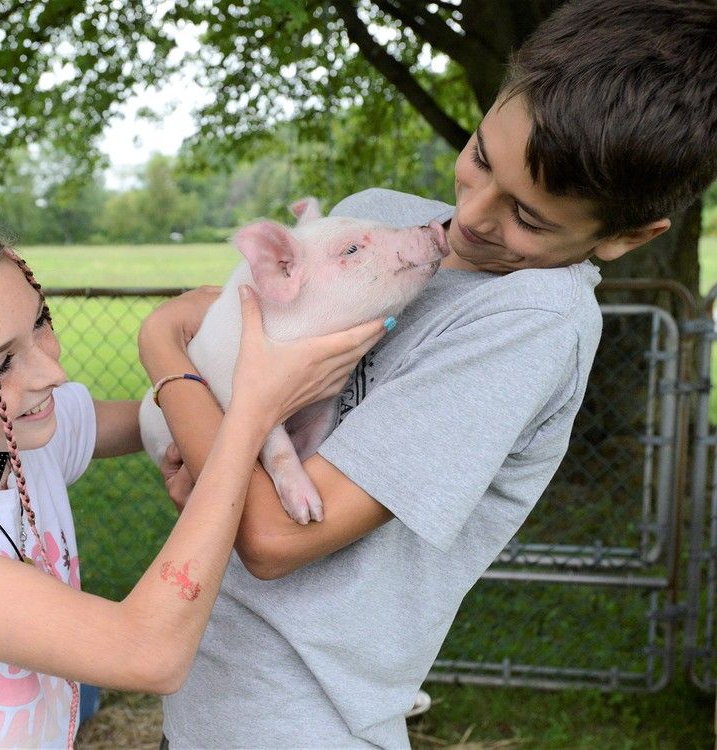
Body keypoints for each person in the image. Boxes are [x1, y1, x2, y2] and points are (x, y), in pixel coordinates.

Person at [138, 1, 717, 747]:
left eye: (530, 218)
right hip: (200, 686)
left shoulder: (530, 321)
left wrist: (163, 355)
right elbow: (225, 363)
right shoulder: (378, 220)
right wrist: (192, 436)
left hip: (305, 720)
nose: (469, 218)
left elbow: (273, 535)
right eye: (480, 156)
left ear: (626, 238)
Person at [0, 206, 385, 749]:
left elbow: (158, 420)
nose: (51, 374)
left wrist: (223, 343)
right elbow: (146, 653)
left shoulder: (15, 436)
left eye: (40, 323)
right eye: (0, 363)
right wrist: (232, 399)